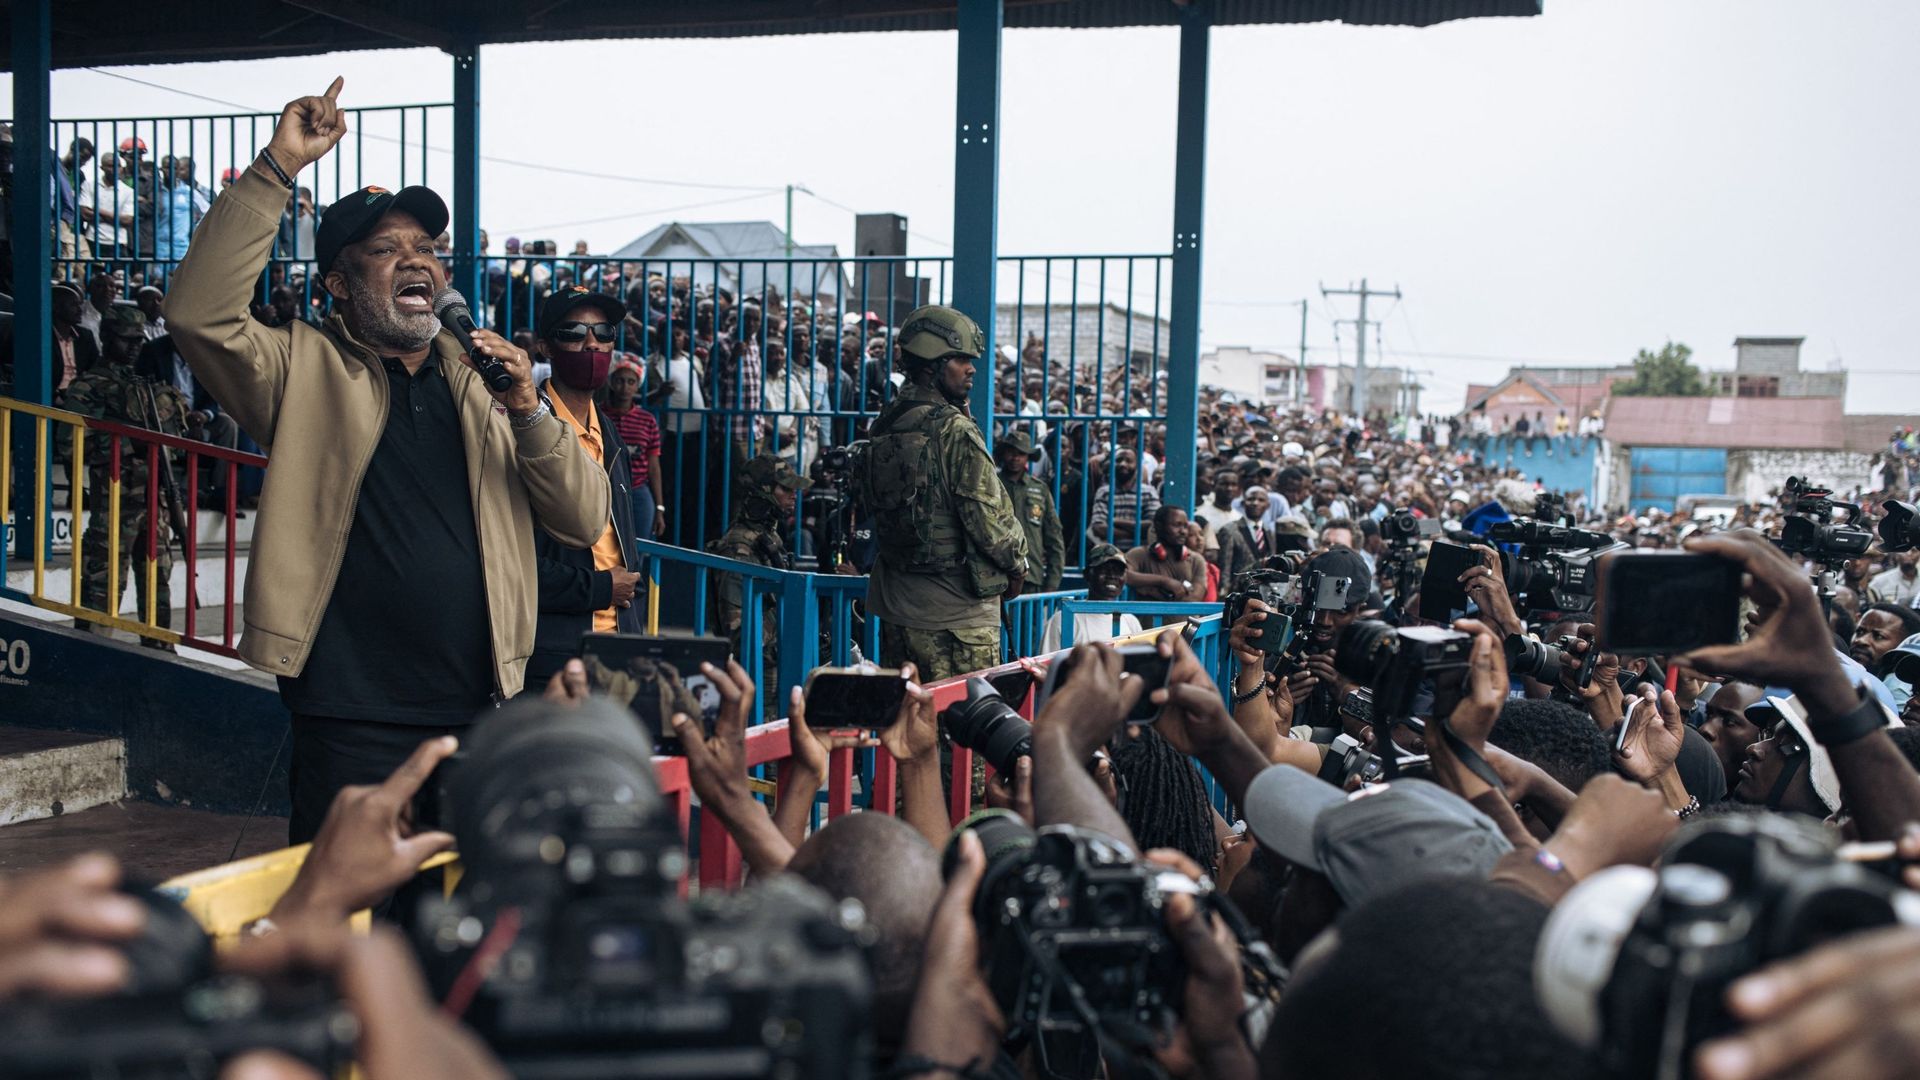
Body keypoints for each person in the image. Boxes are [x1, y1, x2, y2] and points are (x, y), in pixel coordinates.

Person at [166, 78, 609, 844]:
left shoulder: (486, 381)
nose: (418, 262)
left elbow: (583, 515)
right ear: (337, 283)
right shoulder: (298, 368)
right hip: (350, 711)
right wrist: (277, 167)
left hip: (481, 706)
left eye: (428, 250)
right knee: (347, 926)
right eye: (386, 249)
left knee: (453, 935)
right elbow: (198, 314)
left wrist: (529, 409)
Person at [858, 304, 1028, 682]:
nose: (971, 368)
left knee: (907, 733)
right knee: (962, 734)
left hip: (897, 609)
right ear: (932, 365)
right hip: (957, 619)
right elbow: (988, 520)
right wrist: (1019, 564)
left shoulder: (887, 421)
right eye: (959, 359)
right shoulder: (954, 431)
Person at [525, 286, 646, 688]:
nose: (592, 343)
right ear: (545, 346)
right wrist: (597, 588)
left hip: (620, 648)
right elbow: (506, 561)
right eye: (573, 332)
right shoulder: (521, 432)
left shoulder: (608, 431)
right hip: (553, 655)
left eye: (604, 332)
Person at [62, 304, 191, 645]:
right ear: (105, 337)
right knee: (103, 583)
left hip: (156, 500)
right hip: (115, 504)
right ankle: (91, 650)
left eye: (138, 340)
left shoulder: (146, 387)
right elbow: (71, 446)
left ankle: (159, 647)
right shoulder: (88, 387)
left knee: (157, 581)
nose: (135, 347)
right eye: (126, 339)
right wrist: (125, 439)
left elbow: (174, 444)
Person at [708, 454, 809, 700]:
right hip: (757, 679)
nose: (793, 495)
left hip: (777, 672)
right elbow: (740, 634)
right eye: (785, 488)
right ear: (763, 491)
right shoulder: (739, 547)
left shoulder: (768, 537)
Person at [603, 356, 665, 542]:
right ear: (611, 382)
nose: (625, 387)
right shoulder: (598, 414)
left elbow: (653, 466)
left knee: (641, 547)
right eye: (620, 380)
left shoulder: (647, 420)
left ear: (638, 385)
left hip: (638, 489)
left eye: (631, 382)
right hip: (605, 490)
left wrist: (659, 507)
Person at [995, 428, 1064, 593]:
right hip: (995, 573)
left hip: (1031, 575)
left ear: (1028, 457)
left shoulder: (1039, 489)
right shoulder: (992, 485)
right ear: (1004, 454)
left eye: (1021, 453)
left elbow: (1054, 537)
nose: (1015, 457)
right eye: (1011, 452)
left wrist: (1052, 582)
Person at [1039, 543, 1144, 652]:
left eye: (1118, 571)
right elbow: (1046, 667)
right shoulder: (1064, 620)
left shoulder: (1131, 622)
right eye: (1104, 569)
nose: (1112, 575)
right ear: (1087, 574)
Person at [1125, 504, 1209, 602]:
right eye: (1177, 525)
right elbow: (1125, 575)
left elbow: (1195, 597)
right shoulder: (1138, 554)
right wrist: (1165, 581)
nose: (1183, 531)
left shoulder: (1196, 559)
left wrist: (1149, 590)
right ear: (1159, 526)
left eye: (1185, 526)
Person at [1086, 445, 1160, 548]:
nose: (1123, 464)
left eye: (1128, 461)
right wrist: (1137, 533)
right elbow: (1098, 528)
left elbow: (1154, 525)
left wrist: (1115, 521)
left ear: (1137, 465)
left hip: (1140, 554)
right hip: (1110, 554)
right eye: (1118, 460)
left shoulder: (1148, 492)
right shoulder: (1104, 492)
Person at [50, 282, 99, 393]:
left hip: (79, 398)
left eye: (80, 304)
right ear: (56, 307)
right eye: (73, 305)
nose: (80, 310)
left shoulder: (85, 336)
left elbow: (94, 369)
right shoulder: (45, 337)